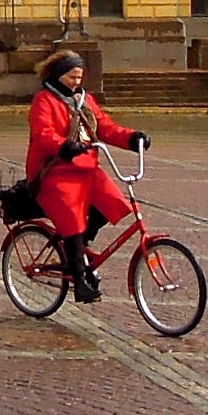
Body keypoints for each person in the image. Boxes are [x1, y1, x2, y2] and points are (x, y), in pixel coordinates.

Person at [26, 50, 145, 302]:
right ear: (59, 75)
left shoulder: (84, 100)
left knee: (114, 202)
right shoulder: (44, 100)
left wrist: (132, 138)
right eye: (72, 77)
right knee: (71, 218)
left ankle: (81, 245)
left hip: (85, 167)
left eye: (79, 77)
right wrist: (63, 146)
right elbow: (42, 132)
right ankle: (79, 280)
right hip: (55, 170)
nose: (76, 82)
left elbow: (105, 127)